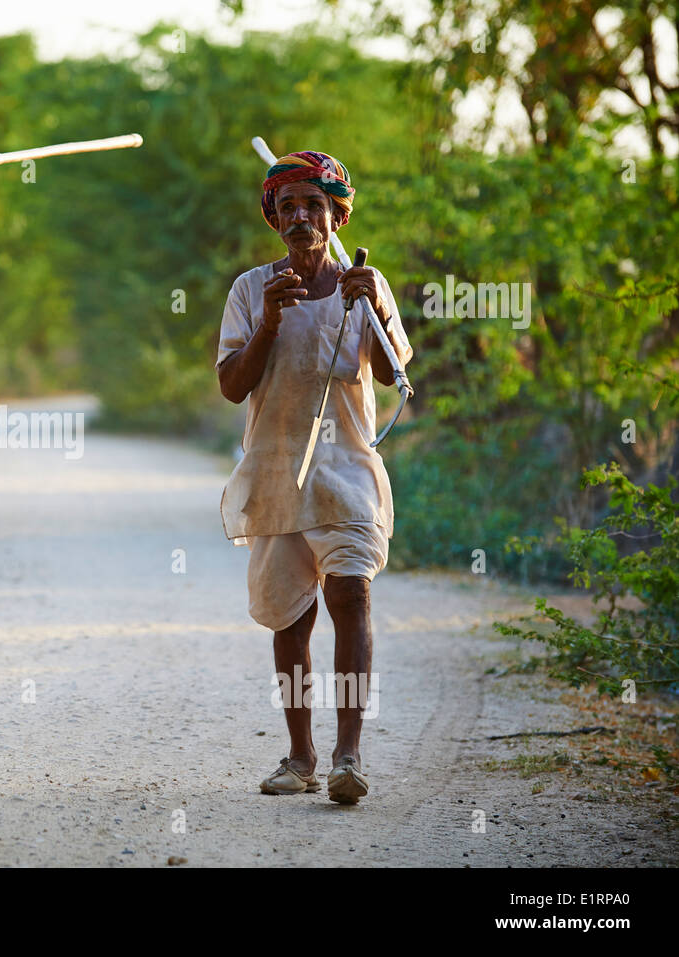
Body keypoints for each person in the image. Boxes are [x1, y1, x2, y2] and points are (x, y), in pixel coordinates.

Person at [215, 150, 412, 804]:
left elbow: (390, 374)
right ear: (273, 218)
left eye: (314, 205)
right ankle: (300, 756)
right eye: (289, 206)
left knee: (351, 596)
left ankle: (348, 753)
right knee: (291, 620)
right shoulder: (251, 291)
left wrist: (374, 312)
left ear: (337, 216)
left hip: (347, 472)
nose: (302, 216)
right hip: (276, 475)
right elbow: (231, 384)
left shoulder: (366, 283)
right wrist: (270, 321)